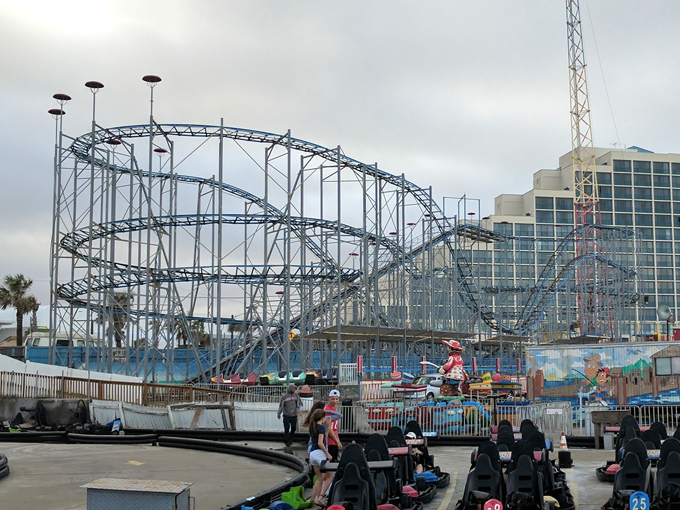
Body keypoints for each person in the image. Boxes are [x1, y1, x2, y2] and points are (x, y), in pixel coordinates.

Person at [308, 408, 332, 506]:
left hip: (312, 454)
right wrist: (328, 454)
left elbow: (322, 437)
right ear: (323, 418)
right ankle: (321, 497)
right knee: (330, 476)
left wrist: (328, 425)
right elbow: (320, 443)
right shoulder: (320, 427)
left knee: (319, 478)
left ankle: (317, 500)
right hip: (319, 453)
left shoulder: (313, 426)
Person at [324, 389, 343, 461]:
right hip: (329, 441)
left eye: (336, 399)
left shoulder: (334, 409)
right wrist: (337, 441)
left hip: (334, 440)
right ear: (329, 398)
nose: (334, 401)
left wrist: (337, 440)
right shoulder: (327, 410)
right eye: (332, 399)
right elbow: (328, 428)